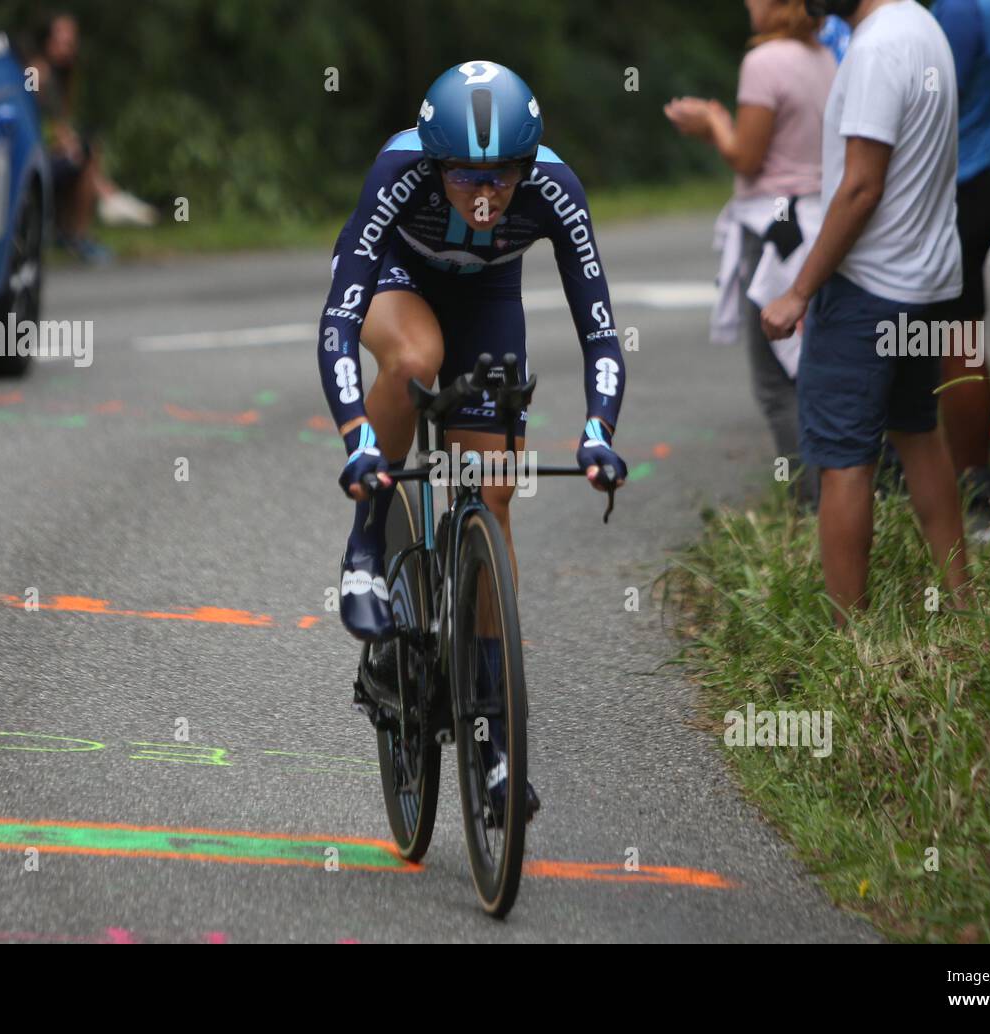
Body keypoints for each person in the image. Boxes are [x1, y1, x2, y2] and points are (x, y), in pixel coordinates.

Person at [317, 62, 628, 818]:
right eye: (463, 178)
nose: (486, 197)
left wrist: (598, 430)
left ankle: (492, 744)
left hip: (488, 298)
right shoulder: (398, 170)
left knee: (492, 494)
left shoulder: (556, 188)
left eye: (503, 177)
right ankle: (366, 547)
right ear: (433, 163)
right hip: (399, 280)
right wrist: (358, 437)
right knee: (416, 359)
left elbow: (602, 332)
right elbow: (335, 324)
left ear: (528, 165)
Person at [762, 0, 968, 623]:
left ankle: (847, 642)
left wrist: (799, 289)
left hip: (866, 290)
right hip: (926, 285)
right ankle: (963, 607)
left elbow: (860, 187)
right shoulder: (923, 27)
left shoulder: (877, 49)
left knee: (844, 461)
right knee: (919, 434)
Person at [665, 0, 836, 510]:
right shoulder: (823, 56)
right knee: (811, 367)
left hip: (775, 226)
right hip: (816, 223)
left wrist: (714, 120)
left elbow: (747, 157)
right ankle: (836, 494)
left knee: (775, 381)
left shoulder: (764, 61)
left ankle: (811, 508)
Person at [928, 0, 990, 521]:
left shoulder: (962, 8)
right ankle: (964, 476)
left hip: (959, 188)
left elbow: (931, 101)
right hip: (973, 183)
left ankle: (970, 484)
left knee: (958, 343)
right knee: (955, 339)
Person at [29, 12, 157, 263]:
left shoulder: (65, 75)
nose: (68, 46)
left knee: (87, 150)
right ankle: (86, 226)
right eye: (62, 40)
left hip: (51, 151)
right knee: (83, 155)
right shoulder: (35, 72)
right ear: (47, 41)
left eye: (71, 40)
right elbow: (32, 113)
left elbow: (60, 122)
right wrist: (61, 141)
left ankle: (99, 209)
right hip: (33, 155)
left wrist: (68, 141)